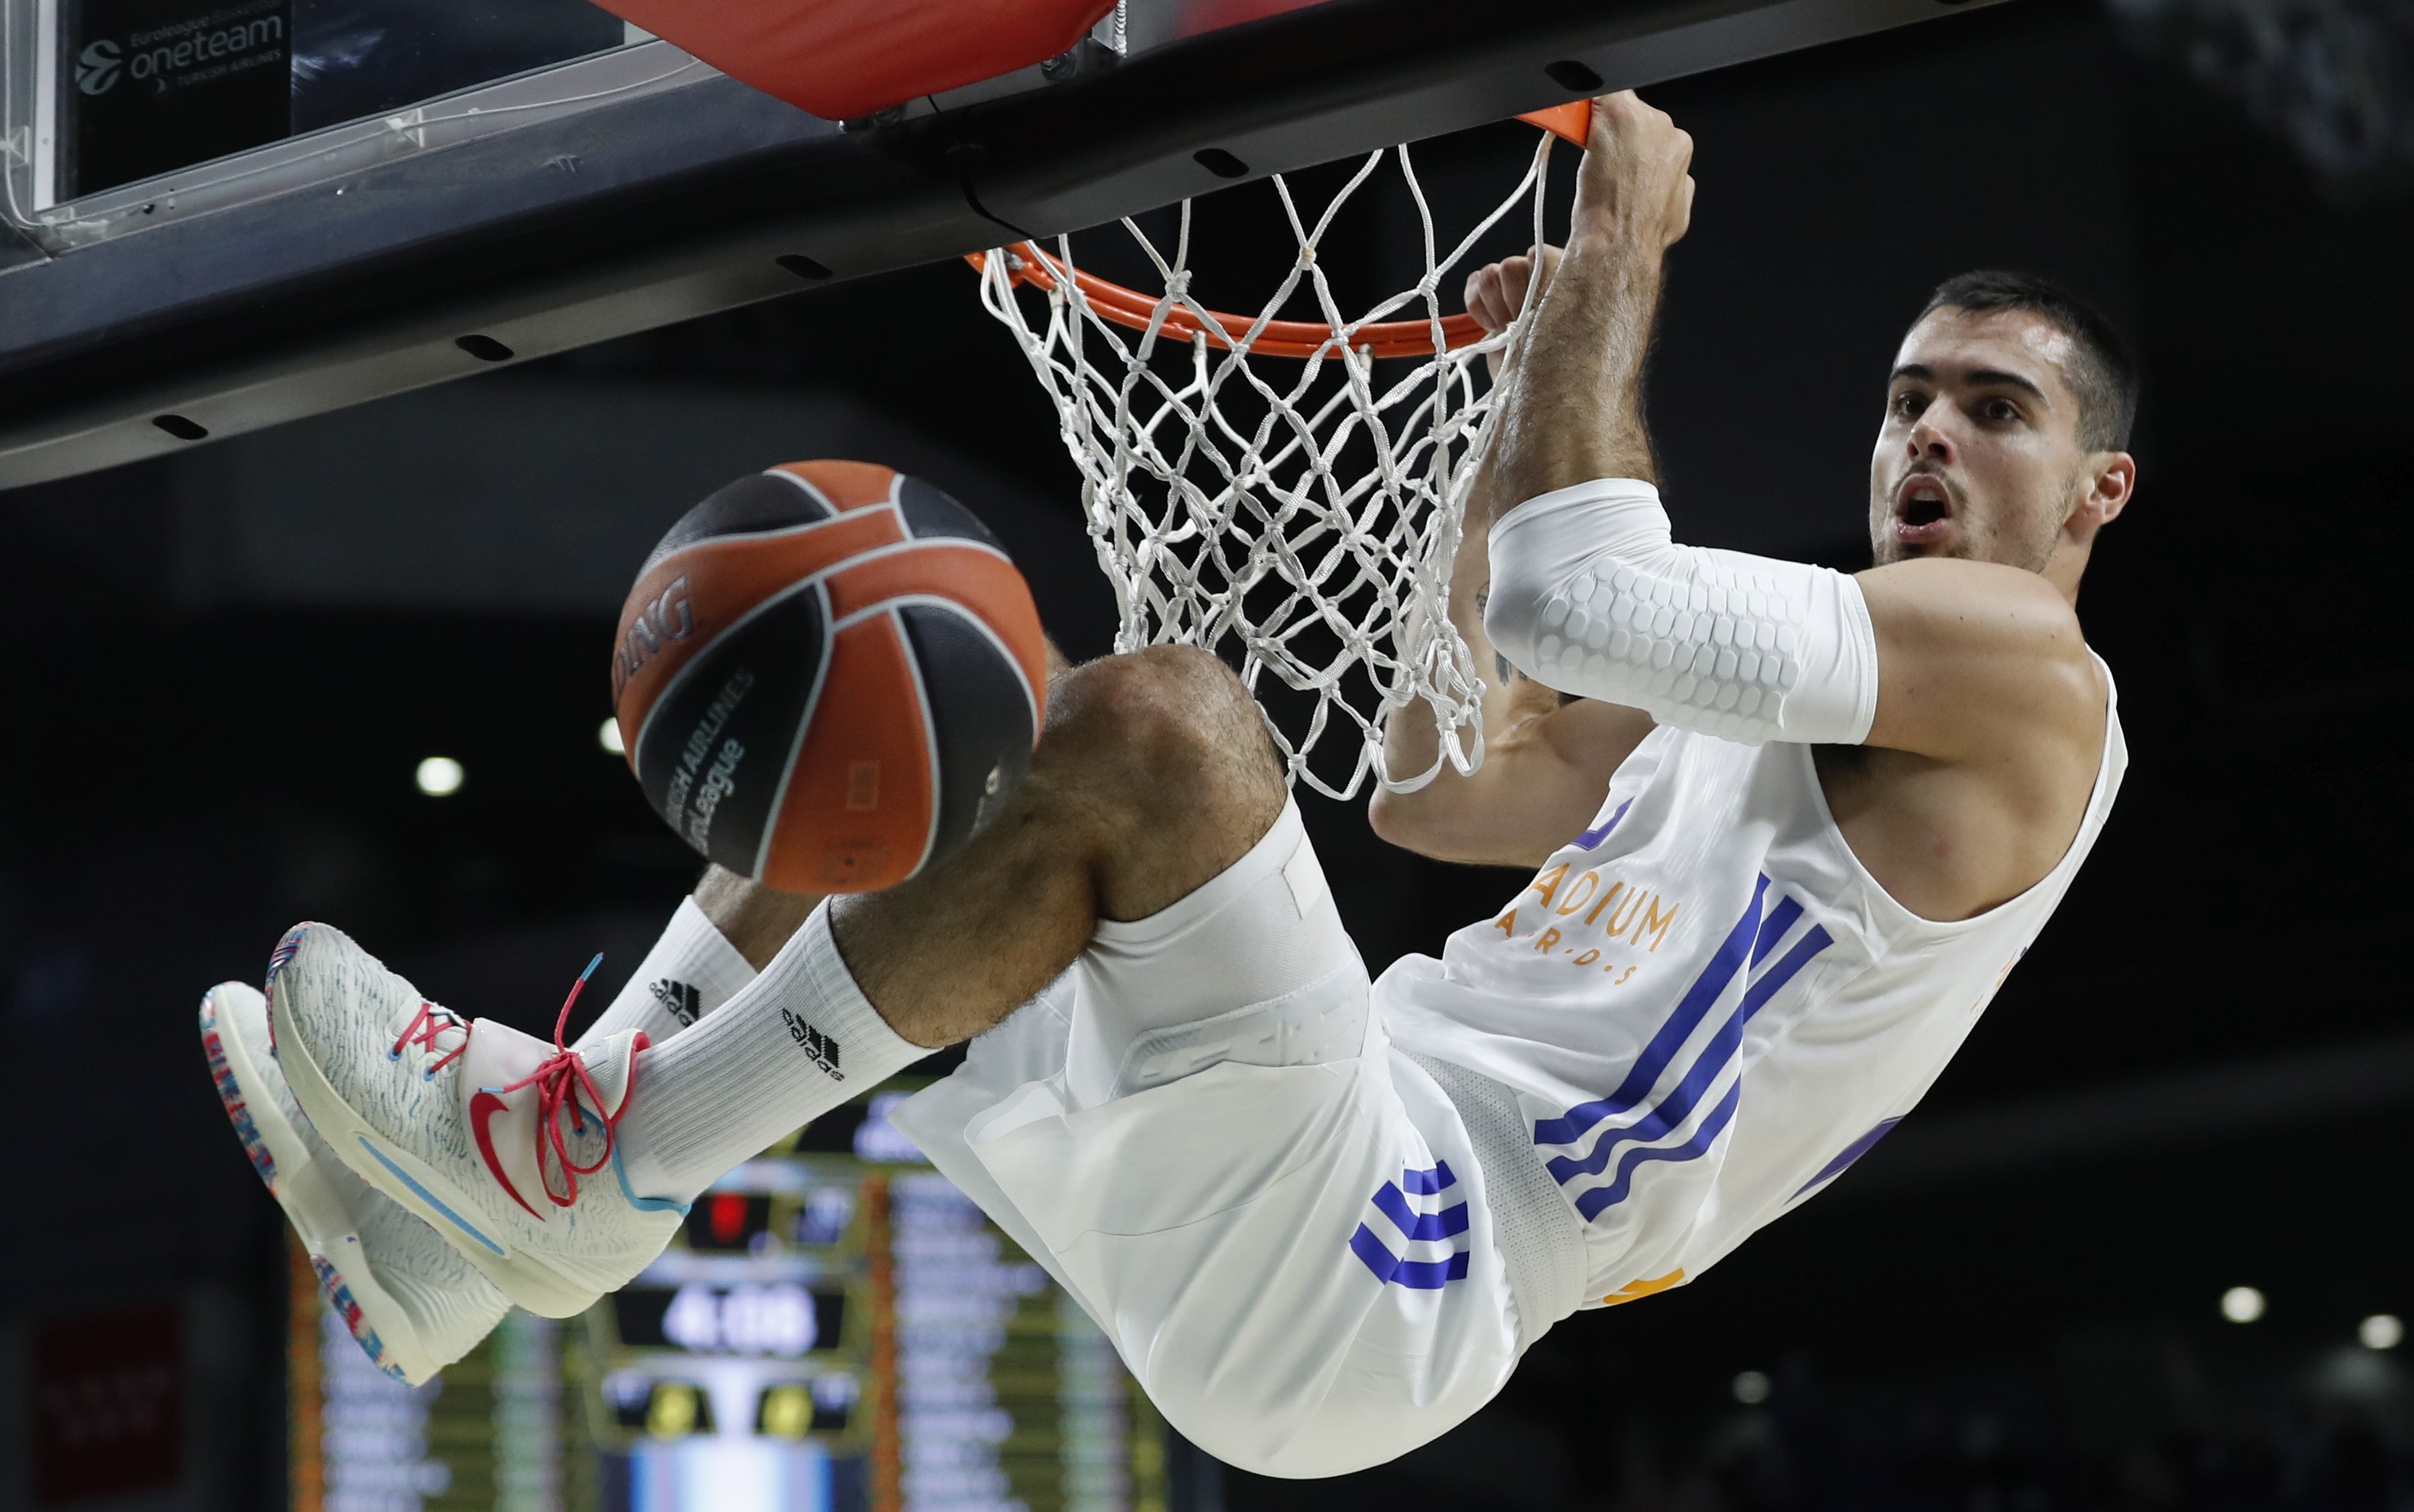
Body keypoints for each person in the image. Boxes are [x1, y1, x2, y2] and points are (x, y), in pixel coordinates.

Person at [228, 90, 2133, 1472]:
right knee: (938, 693)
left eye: (1995, 408)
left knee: (1159, 729)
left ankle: (591, 1165)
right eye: (1908, 397)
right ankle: (507, 1209)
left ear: (2098, 490)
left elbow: (1583, 597)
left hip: (1423, 1246)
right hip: (1343, 1149)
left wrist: (1615, 260)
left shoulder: (2036, 686)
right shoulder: (1780, 710)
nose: (1930, 434)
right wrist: (1504, 433)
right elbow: (1441, 788)